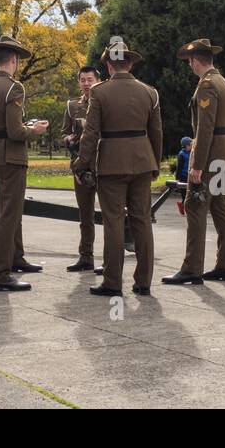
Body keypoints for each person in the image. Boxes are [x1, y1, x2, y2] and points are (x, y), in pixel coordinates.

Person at [74, 41, 162, 297]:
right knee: (142, 220)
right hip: (142, 162)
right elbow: (156, 133)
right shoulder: (150, 93)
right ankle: (143, 281)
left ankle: (113, 282)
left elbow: (90, 134)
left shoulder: (100, 93)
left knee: (113, 222)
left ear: (109, 65)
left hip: (112, 164)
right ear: (131, 63)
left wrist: (82, 164)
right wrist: (154, 163)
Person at [0, 35, 49, 291]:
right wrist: (34, 130)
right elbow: (16, 132)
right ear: (14, 60)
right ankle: (1, 274)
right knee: (8, 215)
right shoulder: (14, 88)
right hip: (10, 159)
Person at [164, 38, 225, 286]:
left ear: (196, 61)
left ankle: (191, 269)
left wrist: (196, 165)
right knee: (221, 208)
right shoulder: (223, 82)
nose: (189, 66)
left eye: (189, 62)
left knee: (195, 208)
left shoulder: (206, 85)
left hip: (211, 154)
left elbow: (205, 129)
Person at [62, 65, 101, 272]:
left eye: (90, 79)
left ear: (98, 80)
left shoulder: (106, 101)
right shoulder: (72, 106)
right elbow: (64, 134)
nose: (86, 83)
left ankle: (112, 259)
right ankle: (86, 257)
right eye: (83, 80)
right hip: (80, 167)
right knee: (85, 216)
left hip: (104, 164)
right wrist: (68, 139)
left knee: (112, 215)